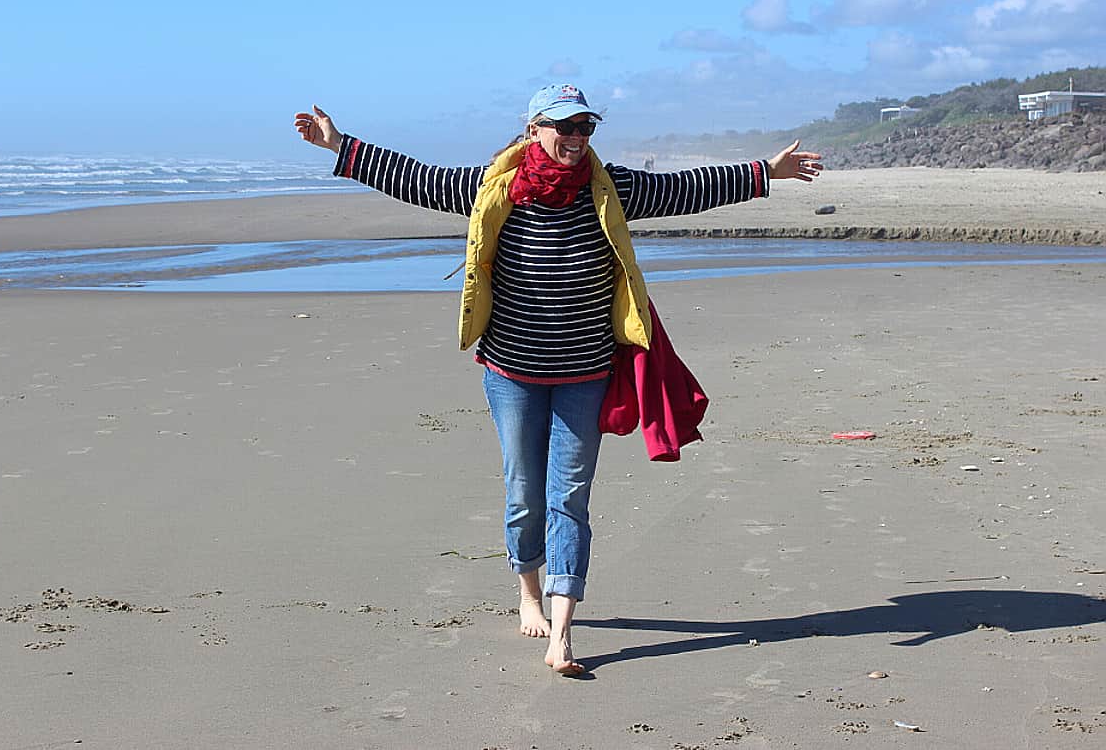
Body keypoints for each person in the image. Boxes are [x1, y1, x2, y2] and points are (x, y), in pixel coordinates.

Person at [294, 84, 822, 676]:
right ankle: (527, 592)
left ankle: (563, 631)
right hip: (510, 371)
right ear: (533, 130)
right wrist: (339, 144)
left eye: (585, 128)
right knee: (524, 494)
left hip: (586, 371)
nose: (575, 138)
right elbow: (415, 177)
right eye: (563, 127)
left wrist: (764, 172)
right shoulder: (492, 184)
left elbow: (686, 189)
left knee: (568, 497)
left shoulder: (611, 186)